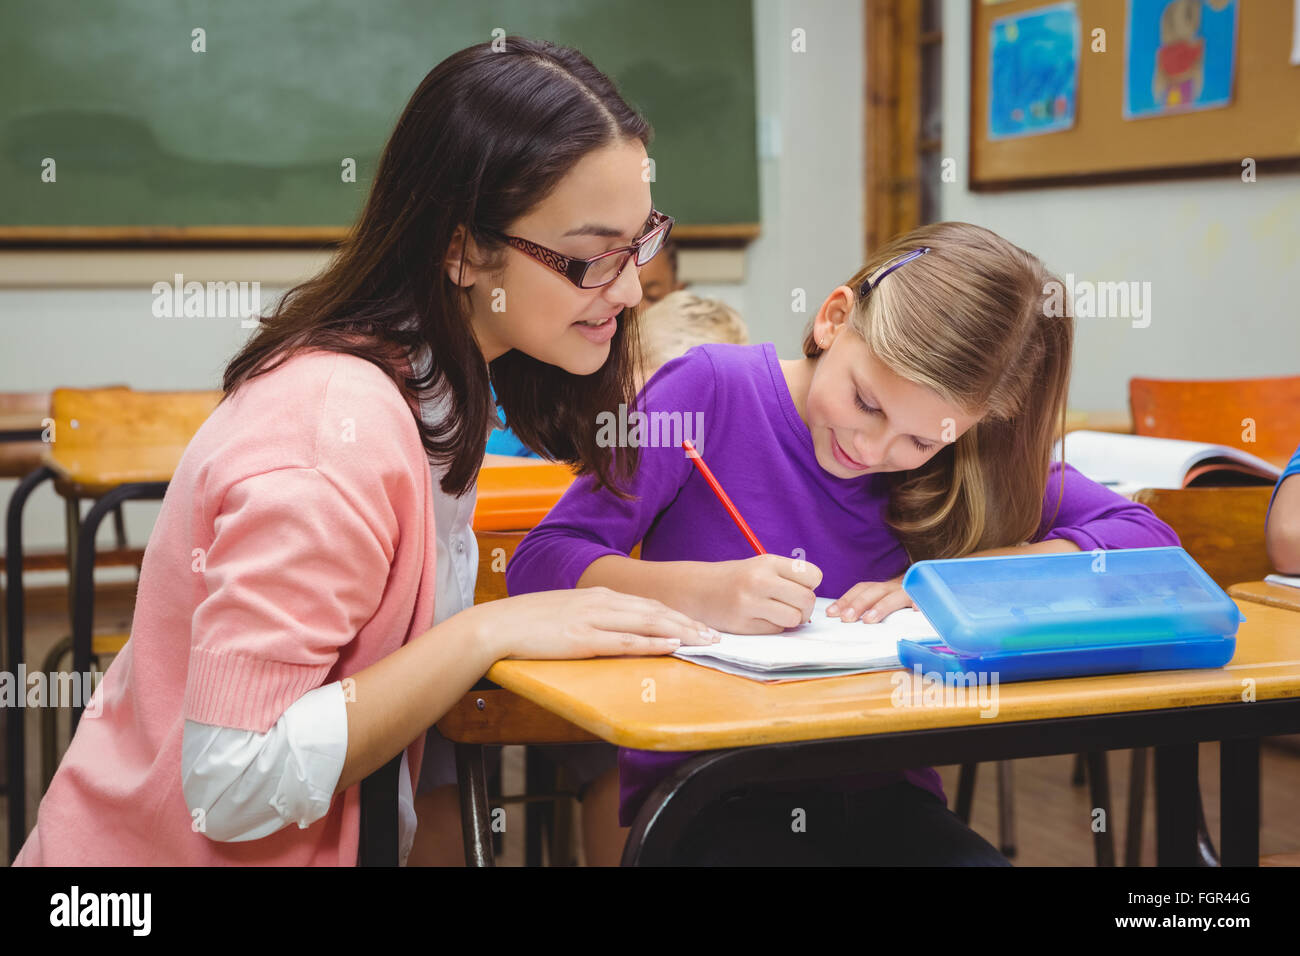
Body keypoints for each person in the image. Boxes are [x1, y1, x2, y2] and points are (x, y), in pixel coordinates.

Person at [15, 37, 717, 867]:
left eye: (640, 243)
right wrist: (487, 632)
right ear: (461, 250)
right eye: (591, 257)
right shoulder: (331, 433)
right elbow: (233, 782)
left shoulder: (438, 389)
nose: (632, 287)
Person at [505, 220, 1180, 865]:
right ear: (833, 320)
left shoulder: (962, 459)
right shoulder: (709, 392)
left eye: (920, 440)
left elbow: (1146, 540)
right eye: (866, 402)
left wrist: (962, 581)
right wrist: (700, 593)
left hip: (884, 792)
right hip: (709, 791)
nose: (873, 448)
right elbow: (540, 562)